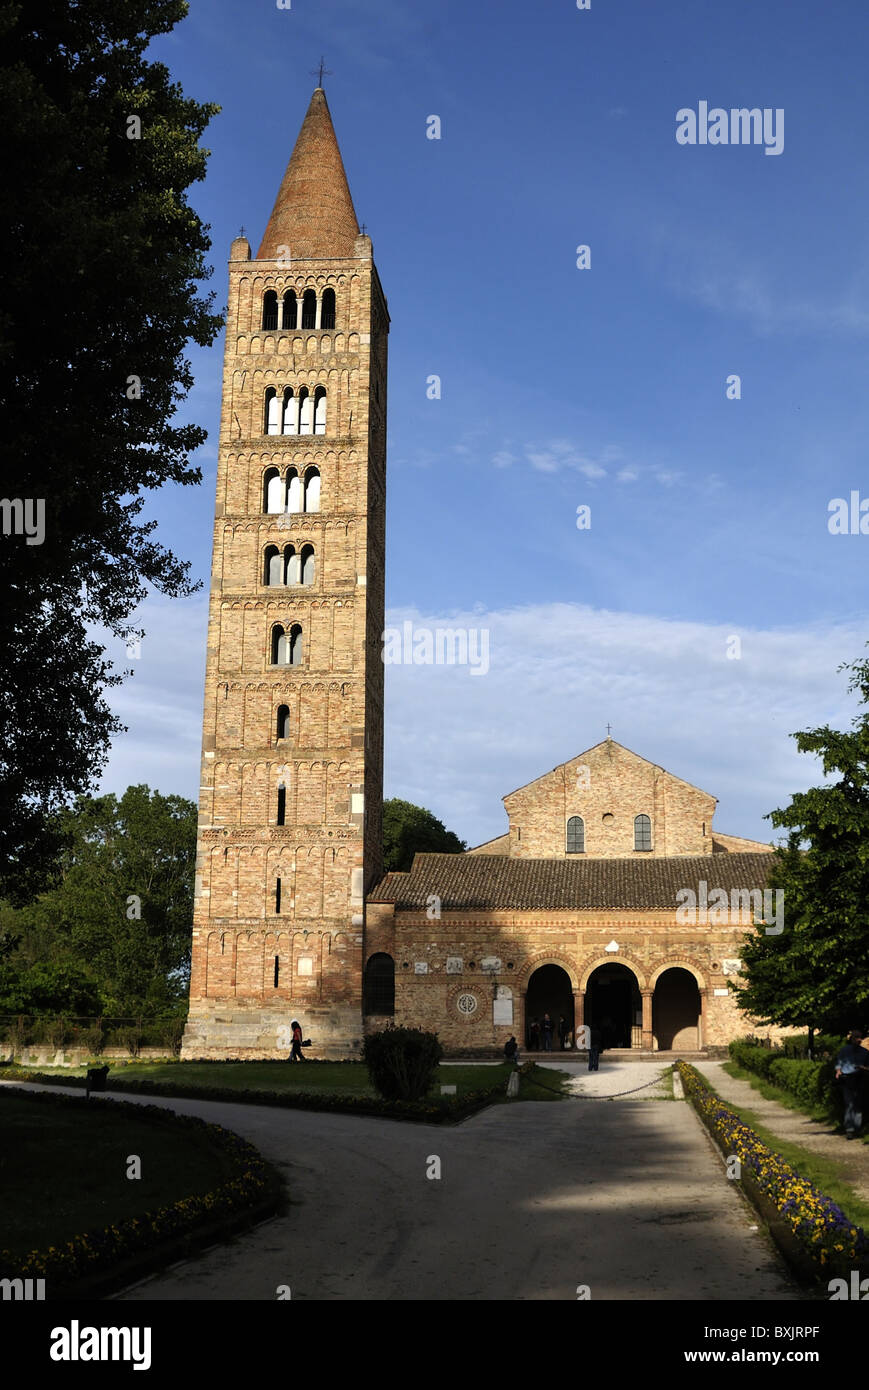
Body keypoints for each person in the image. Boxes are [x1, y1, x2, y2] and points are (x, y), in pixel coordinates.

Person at [834, 1029, 869, 1137]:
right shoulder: (845, 1050)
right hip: (847, 1078)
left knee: (858, 1104)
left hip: (859, 1077)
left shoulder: (865, 1052)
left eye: (860, 1037)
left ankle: (857, 1128)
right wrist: (838, 1072)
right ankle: (849, 1129)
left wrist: (863, 1068)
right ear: (852, 1039)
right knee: (849, 1103)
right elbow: (839, 1062)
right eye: (856, 1037)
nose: (858, 1040)